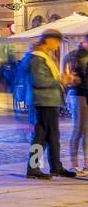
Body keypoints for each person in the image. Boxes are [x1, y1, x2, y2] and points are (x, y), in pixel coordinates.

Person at [26, 30, 78, 179]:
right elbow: (38, 80)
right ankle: (37, 168)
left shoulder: (43, 56)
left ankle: (53, 167)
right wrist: (61, 80)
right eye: (57, 42)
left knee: (49, 136)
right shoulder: (37, 58)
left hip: (48, 101)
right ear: (49, 40)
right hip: (43, 102)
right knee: (42, 136)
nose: (57, 46)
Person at [69, 38, 88, 172]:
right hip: (79, 95)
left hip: (82, 95)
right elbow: (78, 79)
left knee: (86, 131)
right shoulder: (78, 56)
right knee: (78, 129)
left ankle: (86, 164)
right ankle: (74, 164)